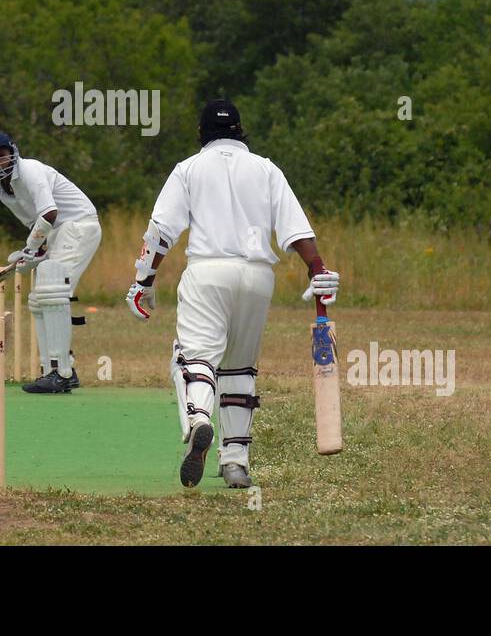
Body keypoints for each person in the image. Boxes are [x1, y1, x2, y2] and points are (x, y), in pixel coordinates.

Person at [125, 99, 340, 489]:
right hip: (258, 278)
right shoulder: (266, 169)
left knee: (194, 358)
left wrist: (144, 282)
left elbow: (161, 233)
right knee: (240, 368)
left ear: (201, 134)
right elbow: (297, 233)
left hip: (208, 272)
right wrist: (318, 270)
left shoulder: (188, 169)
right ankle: (236, 461)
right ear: (241, 131)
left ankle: (200, 421)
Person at [0, 131, 101, 394]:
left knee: (53, 294)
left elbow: (49, 213)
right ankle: (52, 371)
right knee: (38, 300)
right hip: (57, 233)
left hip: (79, 225)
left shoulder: (31, 170)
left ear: (12, 152)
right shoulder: (2, 191)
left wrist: (29, 248)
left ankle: (62, 373)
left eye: (2, 156)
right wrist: (32, 255)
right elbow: (39, 228)